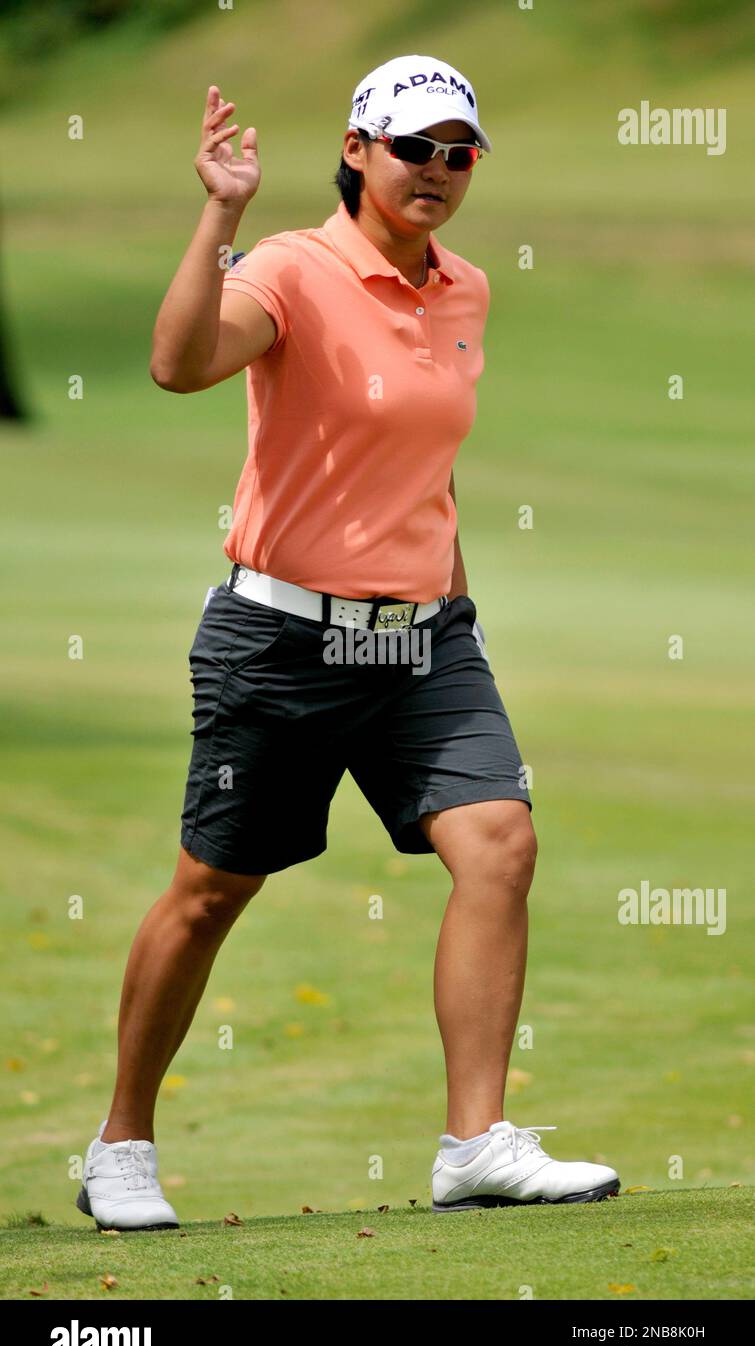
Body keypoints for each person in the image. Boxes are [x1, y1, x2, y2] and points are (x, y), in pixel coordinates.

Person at [75, 55, 620, 1231]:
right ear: (358, 148)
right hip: (278, 636)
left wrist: (454, 609)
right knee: (212, 889)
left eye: (456, 151)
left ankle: (474, 1142)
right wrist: (220, 212)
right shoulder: (291, 267)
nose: (434, 170)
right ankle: (121, 1139)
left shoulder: (465, 289)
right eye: (412, 146)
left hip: (424, 640)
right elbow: (179, 366)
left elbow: (429, 467)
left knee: (499, 844)